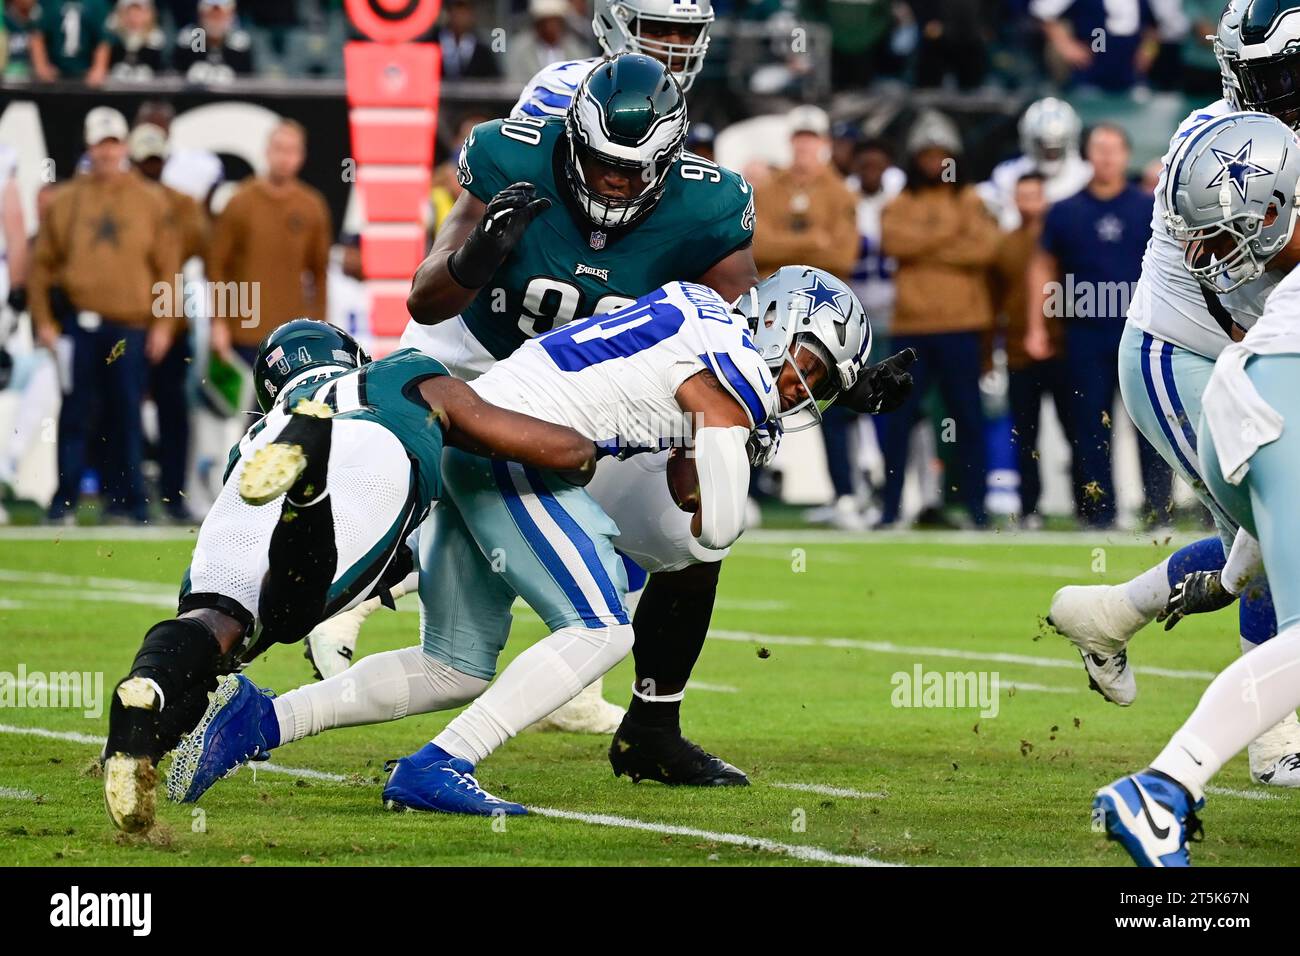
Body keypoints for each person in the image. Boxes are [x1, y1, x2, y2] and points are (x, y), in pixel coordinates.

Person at [168, 267, 873, 817]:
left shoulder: (700, 314)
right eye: (806, 363)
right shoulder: (739, 365)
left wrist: (721, 449)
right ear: (779, 320)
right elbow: (715, 524)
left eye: (818, 384)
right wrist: (738, 452)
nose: (797, 386)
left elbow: (687, 479)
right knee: (601, 630)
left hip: (477, 437)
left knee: (456, 666)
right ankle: (441, 765)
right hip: (515, 449)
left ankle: (256, 721)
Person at [101, 319, 602, 832]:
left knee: (219, 628)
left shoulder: (252, 436)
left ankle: (144, 697)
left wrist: (153, 736)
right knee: (294, 611)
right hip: (369, 446)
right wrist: (596, 448)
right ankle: (309, 488)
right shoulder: (403, 373)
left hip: (259, 464)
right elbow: (546, 445)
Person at [1047, 0, 1300, 788]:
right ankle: (1273, 740)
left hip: (1260, 361)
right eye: (1279, 76)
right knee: (1275, 534)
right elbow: (1261, 255)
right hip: (1182, 358)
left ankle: (1106, 614)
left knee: (1256, 549)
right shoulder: (1211, 138)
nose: (1291, 92)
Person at [1095, 110, 1300, 865]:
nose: (1215, 251)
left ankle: (1111, 613)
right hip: (1251, 388)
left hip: (1251, 386)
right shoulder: (1229, 145)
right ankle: (1168, 785)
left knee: (1252, 565)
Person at [28, 107, 181, 524]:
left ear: (124, 146)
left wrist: (165, 323)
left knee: (126, 415)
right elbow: (42, 266)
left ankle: (128, 501)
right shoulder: (66, 201)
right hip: (81, 325)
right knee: (75, 413)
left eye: (114, 143)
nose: (108, 152)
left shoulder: (150, 200)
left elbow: (169, 267)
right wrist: (44, 321)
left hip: (131, 326)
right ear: (89, 147)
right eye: (101, 143)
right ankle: (65, 500)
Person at [1026, 123, 1171, 529]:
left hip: (1143, 332)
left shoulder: (1149, 207)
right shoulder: (1065, 209)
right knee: (1089, 424)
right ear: (1087, 154)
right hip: (1086, 332)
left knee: (1151, 425)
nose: (1106, 158)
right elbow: (1042, 267)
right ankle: (1098, 513)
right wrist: (1036, 327)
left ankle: (1158, 510)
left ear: (1126, 155)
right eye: (1099, 149)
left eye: (1114, 150)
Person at [878, 113, 998, 528]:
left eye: (941, 155)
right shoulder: (900, 204)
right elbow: (894, 243)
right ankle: (889, 509)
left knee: (968, 418)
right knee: (898, 420)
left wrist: (924, 247)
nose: (935, 163)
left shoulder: (972, 201)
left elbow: (984, 251)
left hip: (963, 325)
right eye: (927, 156)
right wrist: (951, 237)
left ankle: (979, 510)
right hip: (911, 328)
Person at [752, 104, 859, 526]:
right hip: (774, 313)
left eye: (811, 140)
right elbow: (756, 245)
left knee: (834, 404)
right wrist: (814, 239)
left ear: (824, 145)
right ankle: (744, 491)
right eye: (799, 139)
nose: (804, 148)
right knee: (753, 396)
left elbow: (844, 255)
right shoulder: (768, 187)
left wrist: (788, 247)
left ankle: (846, 494)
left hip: (823, 319)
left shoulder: (840, 192)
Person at [128, 120, 208, 523]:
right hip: (128, 320)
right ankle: (127, 497)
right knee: (121, 411)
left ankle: (174, 495)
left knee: (174, 412)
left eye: (156, 161)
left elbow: (197, 247)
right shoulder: (122, 201)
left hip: (170, 322)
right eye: (145, 162)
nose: (151, 168)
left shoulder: (182, 203)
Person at [207, 120, 330, 366]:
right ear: (267, 151)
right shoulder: (240, 202)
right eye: (279, 148)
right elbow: (217, 266)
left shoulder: (312, 206)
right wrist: (219, 322)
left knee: (289, 405)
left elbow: (319, 274)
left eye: (291, 150)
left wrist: (318, 330)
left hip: (292, 337)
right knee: (243, 405)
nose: (284, 157)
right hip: (243, 332)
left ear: (301, 156)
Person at [991, 173, 1071, 526]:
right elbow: (994, 297)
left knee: (1079, 431)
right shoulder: (1005, 243)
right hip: (1019, 351)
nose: (1028, 202)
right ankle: (1029, 508)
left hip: (1063, 350)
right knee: (1025, 434)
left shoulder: (1062, 238)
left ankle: (1090, 505)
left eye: (1034, 195)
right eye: (1022, 195)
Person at [512, 0, 715, 120]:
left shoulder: (694, 104)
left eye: (689, 32)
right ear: (613, 22)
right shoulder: (562, 89)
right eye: (657, 30)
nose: (677, 45)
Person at [979, 97, 1093, 231]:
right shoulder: (1007, 175)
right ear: (1029, 142)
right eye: (1043, 146)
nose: (1050, 155)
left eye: (1056, 149)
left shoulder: (1087, 176)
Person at [506, 0, 592, 86]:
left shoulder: (576, 49)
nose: (550, 27)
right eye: (545, 22)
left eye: (555, 22)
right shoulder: (520, 49)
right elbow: (514, 82)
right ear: (536, 24)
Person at [171, 0, 253, 84]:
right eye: (210, 16)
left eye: (220, 17)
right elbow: (173, 80)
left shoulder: (240, 45)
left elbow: (250, 83)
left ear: (231, 16)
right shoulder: (189, 42)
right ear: (200, 16)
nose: (215, 22)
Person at [438, 0, 501, 79]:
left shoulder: (483, 53)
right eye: (457, 9)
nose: (460, 16)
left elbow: (495, 82)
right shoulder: (432, 44)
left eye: (464, 11)